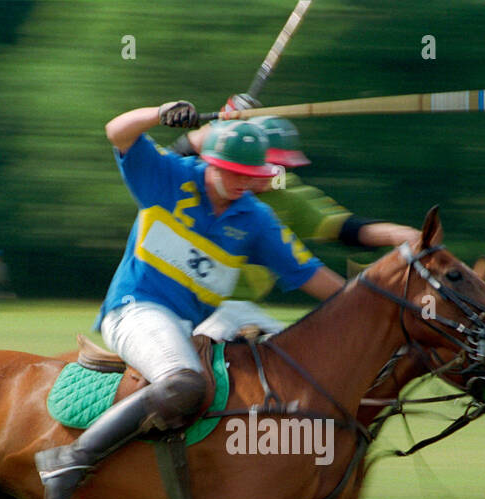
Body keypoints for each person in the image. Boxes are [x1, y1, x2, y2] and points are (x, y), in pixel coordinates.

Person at [33, 101, 345, 499]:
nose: (241, 184)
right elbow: (117, 130)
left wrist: (372, 304)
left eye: (251, 177)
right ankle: (71, 458)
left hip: (191, 327)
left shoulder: (256, 219)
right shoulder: (168, 177)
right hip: (135, 310)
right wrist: (161, 113)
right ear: (209, 161)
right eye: (233, 172)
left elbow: (314, 277)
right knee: (185, 384)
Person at [169, 105, 420, 339]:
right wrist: (212, 129)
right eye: (270, 165)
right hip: (178, 301)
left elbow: (348, 229)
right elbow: (166, 165)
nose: (274, 175)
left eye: (282, 168)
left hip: (239, 309)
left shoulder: (287, 198)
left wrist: (398, 235)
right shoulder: (204, 181)